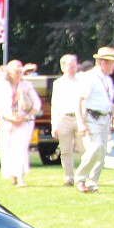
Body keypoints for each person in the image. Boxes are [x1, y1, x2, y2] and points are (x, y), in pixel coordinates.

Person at [73, 46, 114, 193]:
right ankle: (80, 178)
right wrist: (81, 122)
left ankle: (92, 182)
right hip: (91, 117)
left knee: (102, 151)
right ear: (103, 63)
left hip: (104, 118)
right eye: (113, 63)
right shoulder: (89, 78)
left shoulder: (108, 80)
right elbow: (79, 101)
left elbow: (106, 101)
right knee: (95, 147)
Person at [0, 59, 41, 187]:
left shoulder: (27, 85)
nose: (19, 75)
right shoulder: (2, 86)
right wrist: (9, 118)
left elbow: (37, 105)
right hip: (8, 122)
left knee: (20, 148)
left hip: (24, 122)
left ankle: (20, 177)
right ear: (9, 73)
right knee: (8, 149)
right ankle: (13, 177)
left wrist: (25, 117)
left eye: (21, 72)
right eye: (16, 72)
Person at [49, 54, 82, 185]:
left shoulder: (82, 81)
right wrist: (54, 125)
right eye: (70, 66)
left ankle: (83, 176)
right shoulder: (58, 84)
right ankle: (68, 177)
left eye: (74, 66)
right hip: (64, 118)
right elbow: (55, 105)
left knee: (83, 149)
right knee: (66, 150)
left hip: (79, 117)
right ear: (63, 67)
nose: (72, 69)